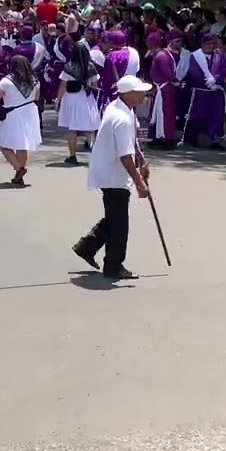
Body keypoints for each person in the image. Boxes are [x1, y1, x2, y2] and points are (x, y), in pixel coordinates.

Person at [72, 74, 151, 280]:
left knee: (115, 216)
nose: (144, 94)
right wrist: (139, 181)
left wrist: (141, 157)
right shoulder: (121, 118)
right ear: (129, 94)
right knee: (120, 223)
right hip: (113, 174)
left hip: (109, 170)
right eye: (140, 92)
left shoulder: (121, 108)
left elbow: (131, 143)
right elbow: (124, 155)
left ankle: (87, 245)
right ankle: (113, 265)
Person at [0, 55, 41, 186]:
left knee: (5, 145)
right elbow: (37, 97)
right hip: (30, 113)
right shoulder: (35, 81)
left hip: (13, 114)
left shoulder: (6, 81)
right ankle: (18, 176)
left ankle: (19, 168)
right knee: (23, 145)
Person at [55, 40, 101, 164]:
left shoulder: (68, 67)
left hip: (71, 99)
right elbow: (95, 84)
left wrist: (58, 100)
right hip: (86, 98)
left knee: (72, 128)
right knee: (89, 128)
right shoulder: (91, 66)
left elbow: (63, 85)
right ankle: (95, 153)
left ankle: (72, 155)